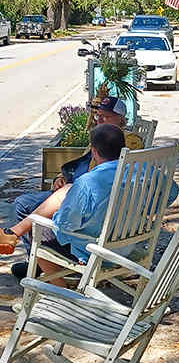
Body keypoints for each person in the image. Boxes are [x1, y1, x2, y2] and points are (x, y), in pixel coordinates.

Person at [6, 96, 144, 250]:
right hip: (77, 189)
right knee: (22, 203)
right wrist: (61, 177)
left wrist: (72, 193)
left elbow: (115, 171)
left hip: (89, 198)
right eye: (98, 115)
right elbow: (81, 162)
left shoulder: (126, 140)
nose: (100, 120)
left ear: (121, 119)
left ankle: (41, 258)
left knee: (37, 221)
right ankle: (33, 258)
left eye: (106, 116)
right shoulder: (100, 136)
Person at [0, 124, 125, 285]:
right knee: (66, 190)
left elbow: (66, 224)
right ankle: (12, 233)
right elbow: (169, 192)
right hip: (126, 244)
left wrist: (54, 215)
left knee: (37, 229)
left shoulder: (88, 182)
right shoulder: (144, 173)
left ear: (94, 152)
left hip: (94, 248)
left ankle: (60, 287)